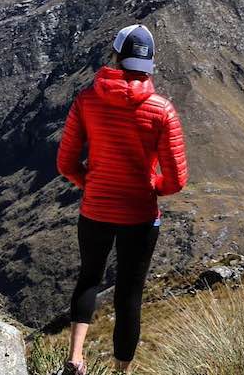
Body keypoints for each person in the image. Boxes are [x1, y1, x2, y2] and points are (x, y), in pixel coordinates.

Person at [56, 24, 188, 374]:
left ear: (116, 57)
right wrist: (152, 186)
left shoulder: (86, 101)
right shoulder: (162, 110)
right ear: (149, 63)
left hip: (96, 208)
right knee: (129, 293)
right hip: (140, 215)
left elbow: (65, 163)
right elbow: (176, 180)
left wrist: (92, 183)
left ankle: (75, 359)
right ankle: (121, 372)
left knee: (89, 278)